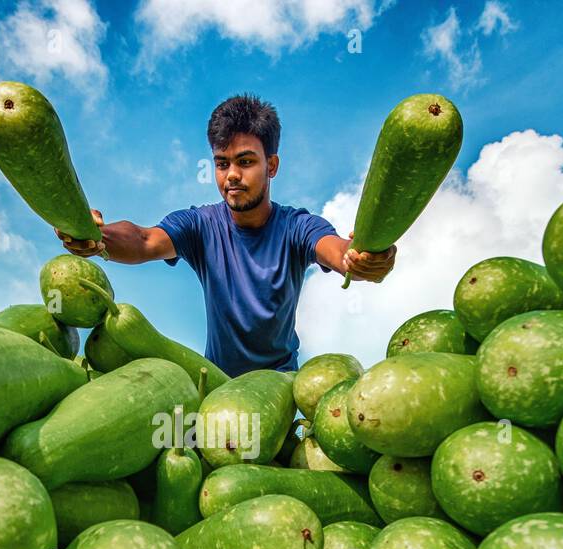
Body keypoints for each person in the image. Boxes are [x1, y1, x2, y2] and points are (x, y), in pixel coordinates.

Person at [57, 93, 396, 377]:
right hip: (216, 385)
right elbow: (145, 240)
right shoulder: (199, 225)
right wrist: (96, 236)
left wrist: (365, 257)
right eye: (222, 164)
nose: (232, 175)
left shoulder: (297, 227)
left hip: (281, 387)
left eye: (245, 162)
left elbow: (337, 252)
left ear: (272, 166)